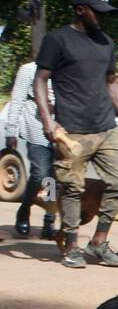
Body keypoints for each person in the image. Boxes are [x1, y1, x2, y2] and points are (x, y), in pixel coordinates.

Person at [33, 0, 118, 268]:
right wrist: (48, 121)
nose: (102, 18)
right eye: (97, 11)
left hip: (106, 127)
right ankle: (71, 245)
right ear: (79, 9)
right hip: (72, 130)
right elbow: (40, 80)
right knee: (73, 188)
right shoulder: (57, 40)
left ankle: (99, 242)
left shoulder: (105, 42)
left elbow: (111, 81)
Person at [5, 60, 57, 239]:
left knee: (53, 178)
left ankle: (49, 220)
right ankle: (24, 208)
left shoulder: (66, 68)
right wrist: (11, 131)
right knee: (40, 174)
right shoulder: (28, 70)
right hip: (36, 130)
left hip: (62, 132)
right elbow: (17, 100)